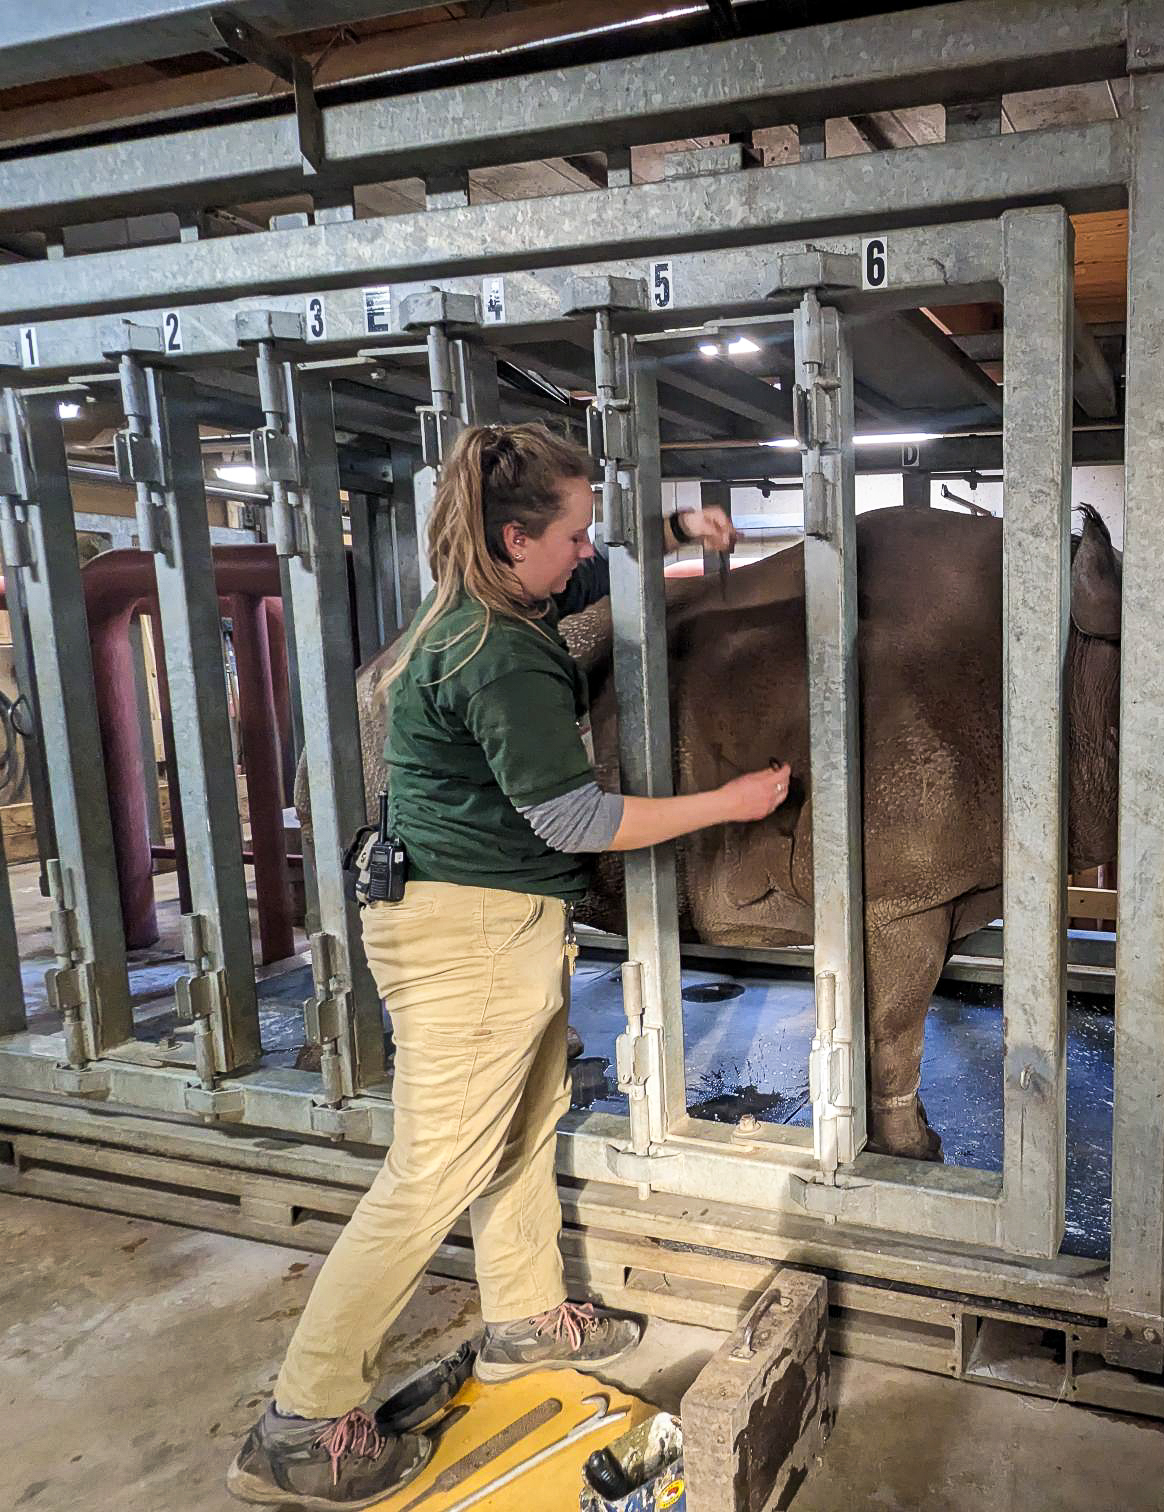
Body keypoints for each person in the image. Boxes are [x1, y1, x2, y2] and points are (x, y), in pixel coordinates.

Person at [230, 423, 790, 1508]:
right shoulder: (502, 654)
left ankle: (528, 1318)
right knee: (432, 1170)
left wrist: (673, 532)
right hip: (469, 936)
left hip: (484, 923)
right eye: (574, 534)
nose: (586, 551)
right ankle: (303, 1419)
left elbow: (572, 594)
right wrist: (730, 803)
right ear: (514, 536)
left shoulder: (473, 610)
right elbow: (574, 814)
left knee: (523, 1128)